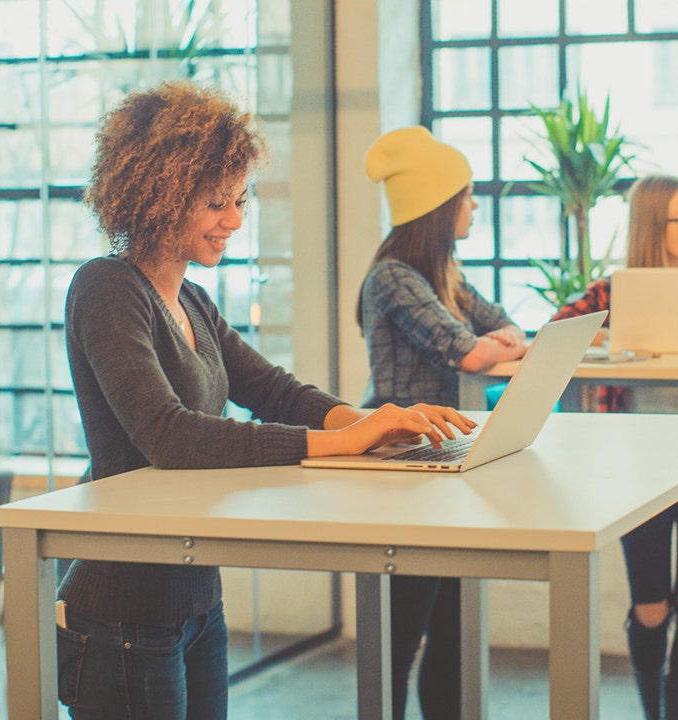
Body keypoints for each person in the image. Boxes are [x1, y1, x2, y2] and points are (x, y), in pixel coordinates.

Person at [58, 82, 475, 720]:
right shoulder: (107, 289)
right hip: (123, 609)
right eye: (215, 203)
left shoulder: (194, 301)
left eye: (240, 198)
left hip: (195, 599)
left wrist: (375, 422)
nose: (234, 219)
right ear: (159, 195)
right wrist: (341, 441)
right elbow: (171, 436)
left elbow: (274, 390)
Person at [552, 174, 678, 720]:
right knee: (651, 607)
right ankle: (654, 713)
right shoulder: (612, 293)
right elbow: (556, 330)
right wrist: (618, 332)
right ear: (651, 225)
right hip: (637, 476)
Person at [358, 125, 529, 719]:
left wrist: (499, 340)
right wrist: (496, 343)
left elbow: (506, 327)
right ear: (437, 206)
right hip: (403, 472)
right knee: (402, 635)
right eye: (467, 195)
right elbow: (473, 352)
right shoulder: (393, 279)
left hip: (445, 463)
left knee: (453, 633)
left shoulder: (443, 277)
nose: (475, 205)